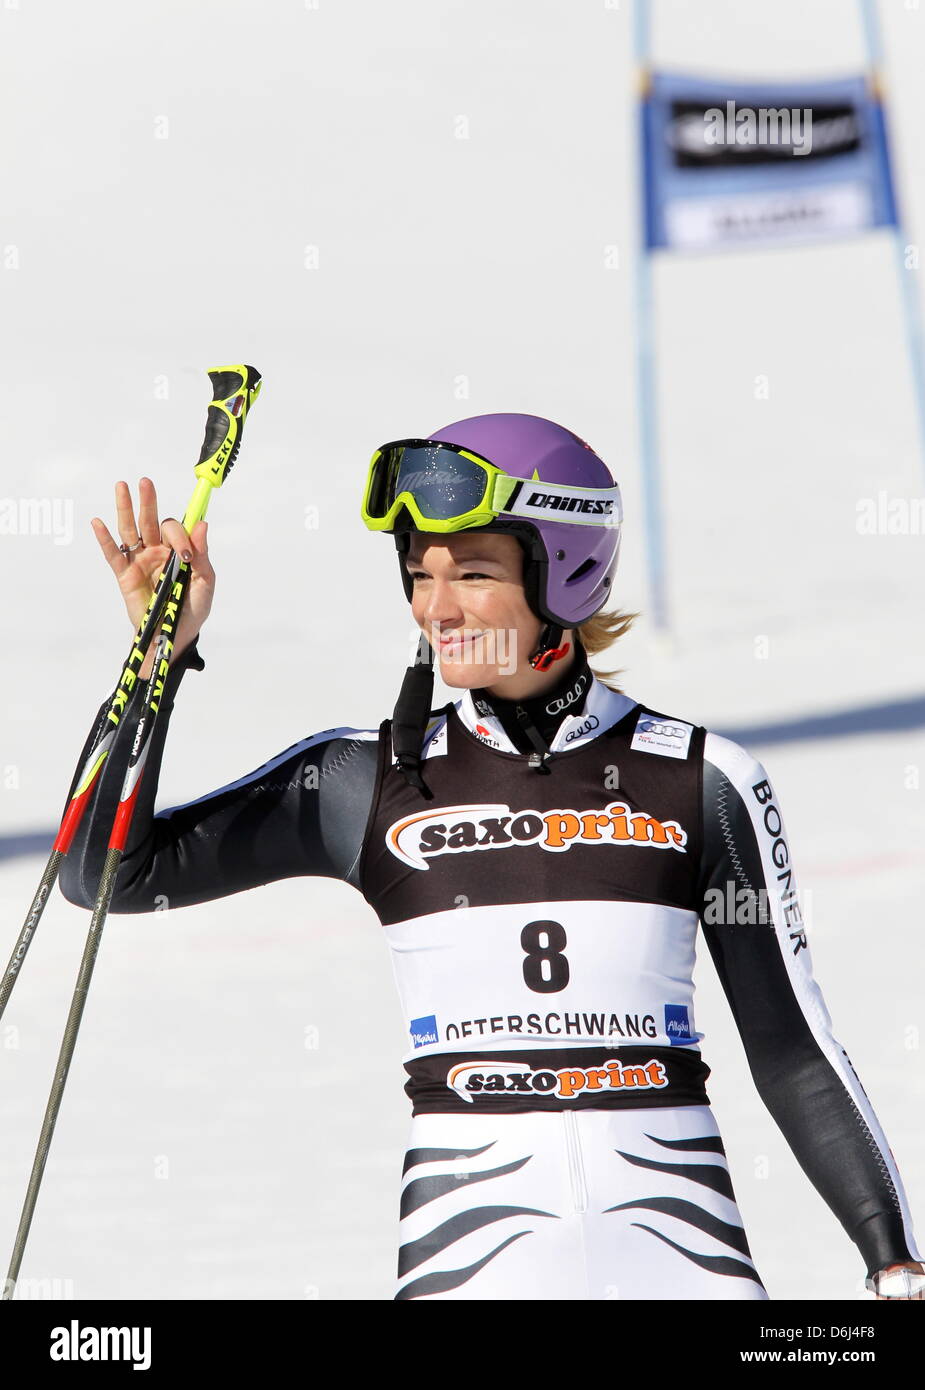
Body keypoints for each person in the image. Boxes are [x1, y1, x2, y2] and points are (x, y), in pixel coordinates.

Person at [61, 412, 923, 1301]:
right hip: (468, 1248)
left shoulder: (703, 780)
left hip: (680, 1247)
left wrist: (889, 1255)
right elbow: (108, 875)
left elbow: (791, 1050)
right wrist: (157, 658)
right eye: (419, 576)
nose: (437, 608)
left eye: (473, 574)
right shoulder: (366, 780)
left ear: (567, 576)